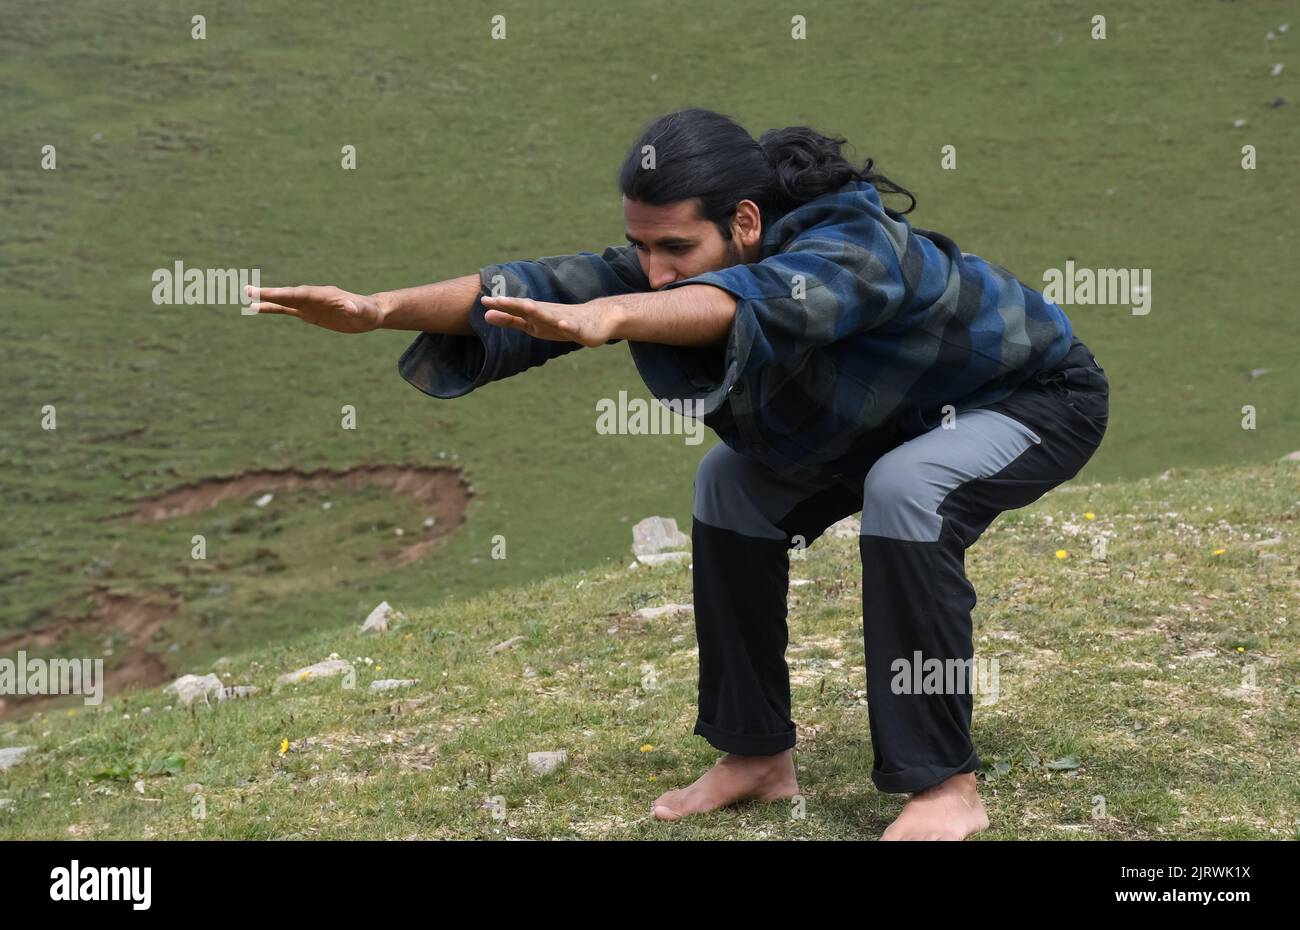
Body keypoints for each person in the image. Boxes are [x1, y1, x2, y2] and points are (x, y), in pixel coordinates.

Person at [247, 107, 1108, 840]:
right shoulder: (682, 255)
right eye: (640, 248)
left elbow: (758, 303)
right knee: (728, 487)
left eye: (673, 248)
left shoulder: (854, 245)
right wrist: (376, 310)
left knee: (906, 491)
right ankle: (757, 755)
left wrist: (617, 313)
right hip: (878, 422)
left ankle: (946, 786)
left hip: (1031, 400)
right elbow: (535, 284)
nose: (653, 268)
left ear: (743, 220)